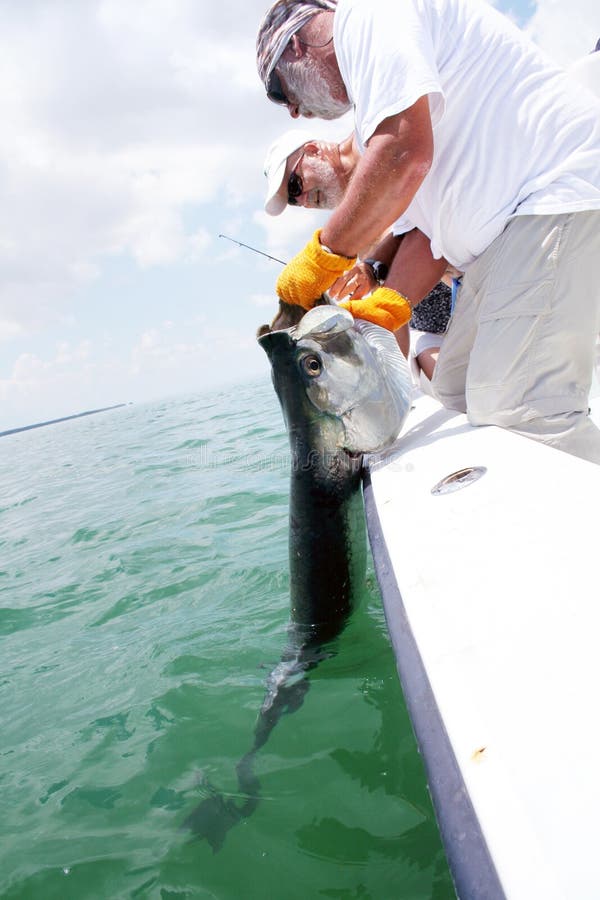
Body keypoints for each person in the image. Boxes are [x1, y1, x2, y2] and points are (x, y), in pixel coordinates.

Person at [255, 0, 600, 463]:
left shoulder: (369, 16)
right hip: (505, 238)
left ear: (295, 44)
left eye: (281, 93)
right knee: (452, 391)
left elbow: (403, 155)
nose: (293, 110)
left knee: (514, 407)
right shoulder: (384, 106)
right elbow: (423, 235)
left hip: (554, 193)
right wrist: (386, 308)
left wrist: (324, 255)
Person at [263, 129, 454, 388]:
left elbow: (431, 232)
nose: (304, 201)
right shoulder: (362, 242)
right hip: (434, 332)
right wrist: (373, 269)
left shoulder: (376, 143)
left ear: (313, 151)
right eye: (294, 201)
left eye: (295, 185)